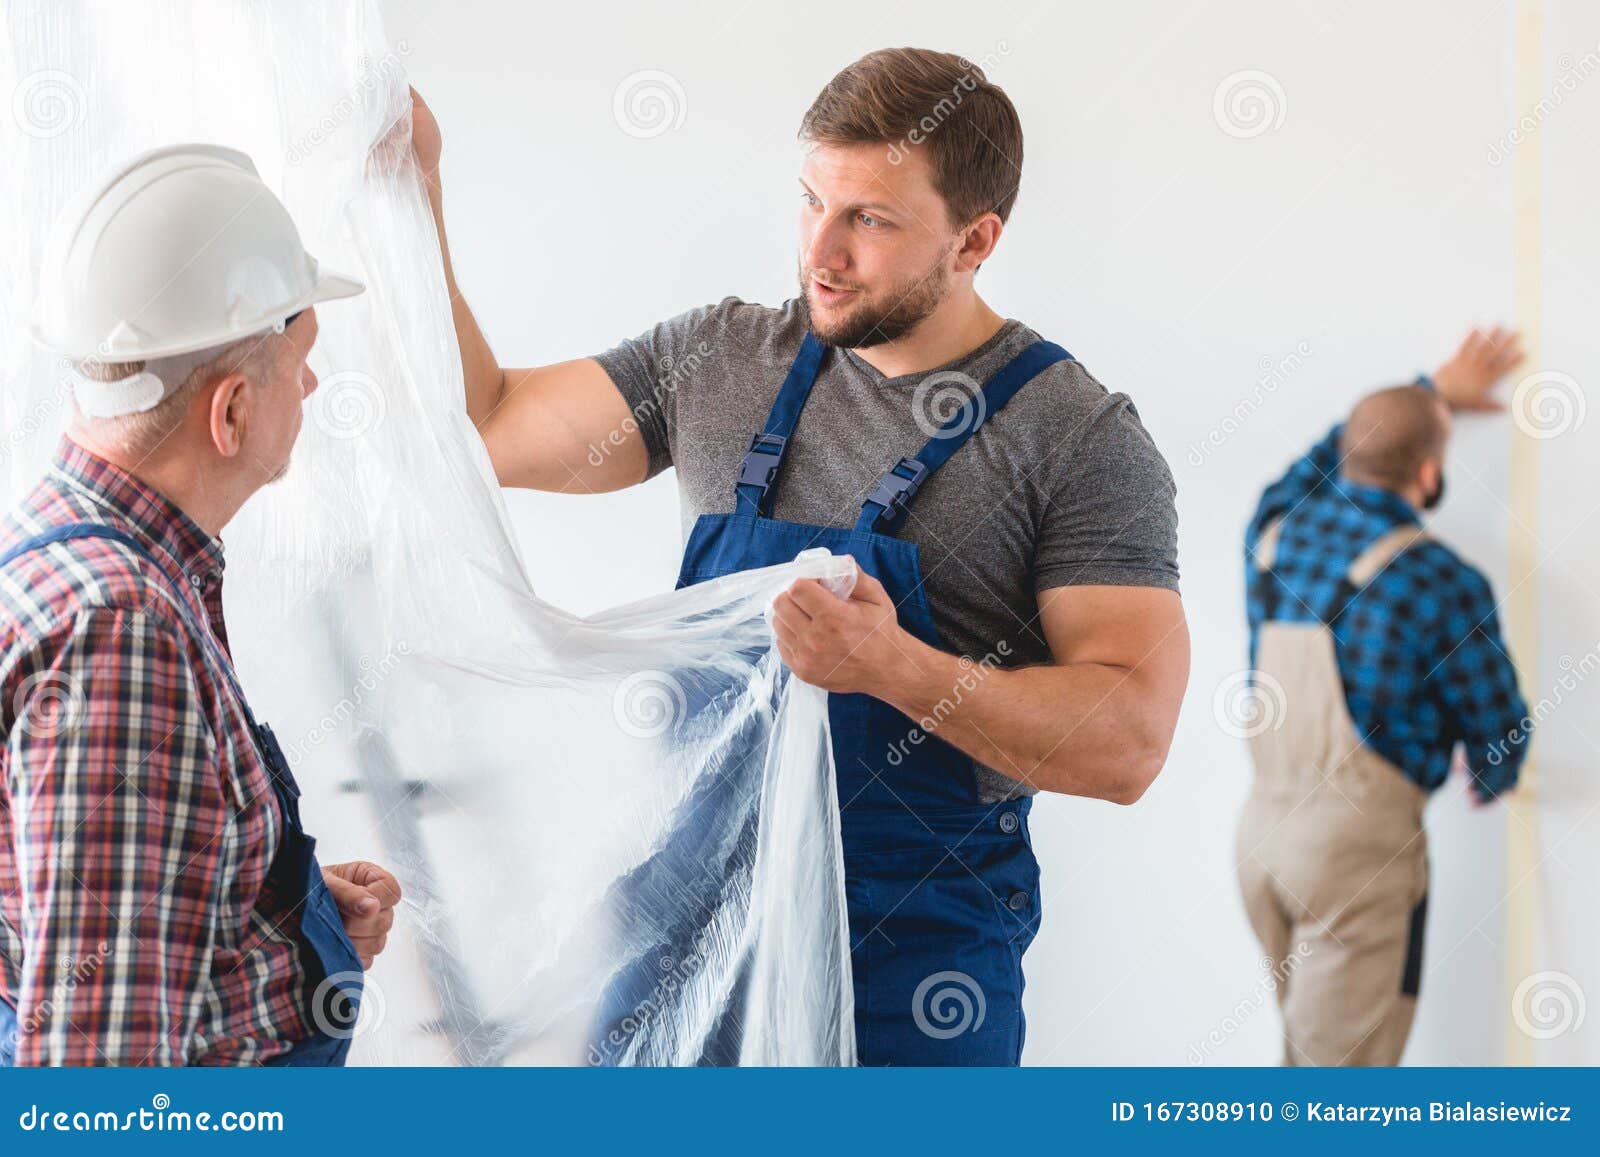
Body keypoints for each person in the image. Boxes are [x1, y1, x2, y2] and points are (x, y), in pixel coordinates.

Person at [410, 46, 1190, 1066]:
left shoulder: (1075, 437)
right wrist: (413, 191)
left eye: (869, 218)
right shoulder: (721, 362)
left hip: (908, 966)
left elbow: (1127, 741)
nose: (820, 251)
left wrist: (893, 666)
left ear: (975, 239)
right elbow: (490, 424)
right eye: (811, 200)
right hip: (689, 933)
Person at [0, 144, 402, 1066]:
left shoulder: (84, 548)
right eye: (299, 362)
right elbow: (101, 1086)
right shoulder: (121, 631)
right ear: (229, 413)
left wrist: (264, 918)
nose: (308, 386)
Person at [1237, 325, 1532, 1067]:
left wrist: (1430, 389)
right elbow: (1499, 727)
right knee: (1342, 1097)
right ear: (1430, 475)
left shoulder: (1275, 533)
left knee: (1307, 1064)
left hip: (1263, 841)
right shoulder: (1440, 579)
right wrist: (1495, 775)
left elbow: (1311, 466)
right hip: (1356, 860)